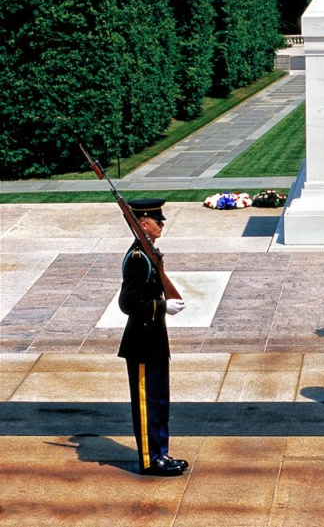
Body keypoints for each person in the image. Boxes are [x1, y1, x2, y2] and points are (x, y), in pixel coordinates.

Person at [118, 199, 188, 476]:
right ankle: (149, 459)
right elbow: (128, 302)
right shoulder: (138, 259)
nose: (162, 225)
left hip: (154, 339)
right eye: (157, 221)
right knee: (147, 402)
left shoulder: (148, 254)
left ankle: (161, 452)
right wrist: (162, 306)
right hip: (142, 342)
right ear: (143, 223)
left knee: (159, 400)